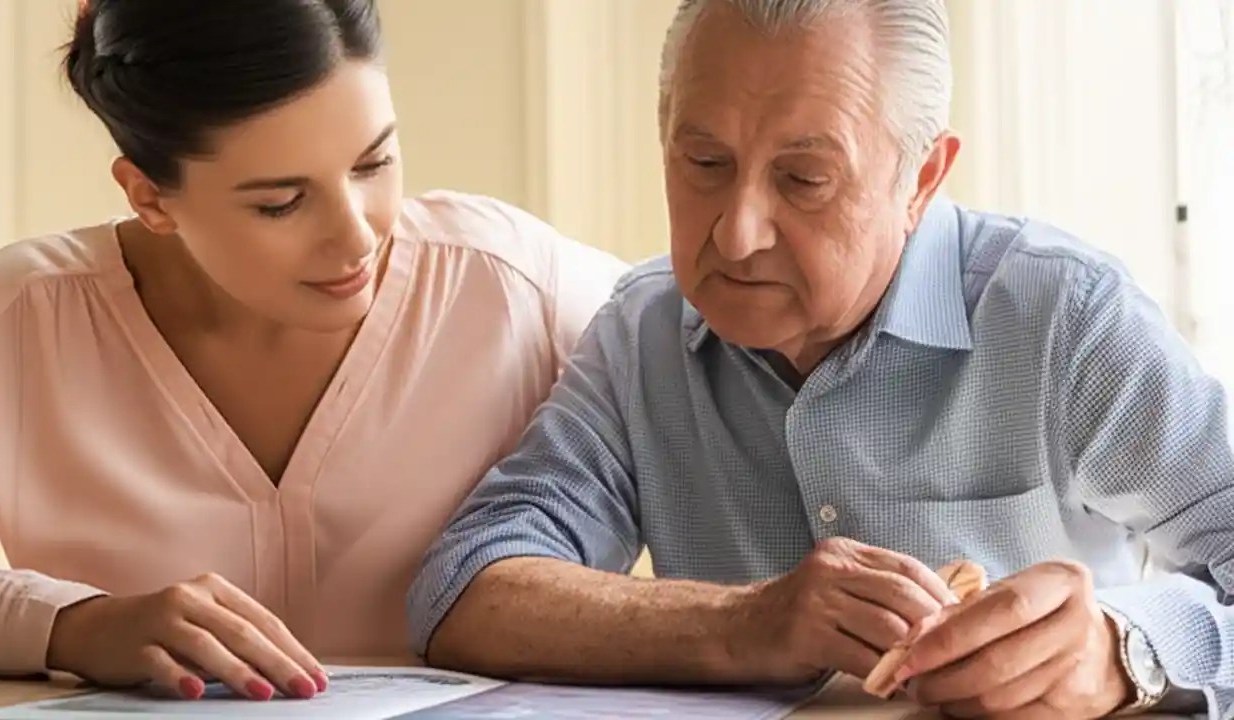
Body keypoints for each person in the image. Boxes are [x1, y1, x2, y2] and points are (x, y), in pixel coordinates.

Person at [408, 1, 1234, 718]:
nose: (736, 234)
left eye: (803, 179)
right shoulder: (642, 334)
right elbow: (467, 589)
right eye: (704, 164)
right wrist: (746, 624)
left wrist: (1124, 655)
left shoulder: (1062, 316)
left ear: (921, 177)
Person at [0, 0, 625, 703]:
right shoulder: (17, 323)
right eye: (281, 203)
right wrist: (75, 627)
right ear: (149, 196)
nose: (356, 237)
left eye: (375, 163)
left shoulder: (517, 291)